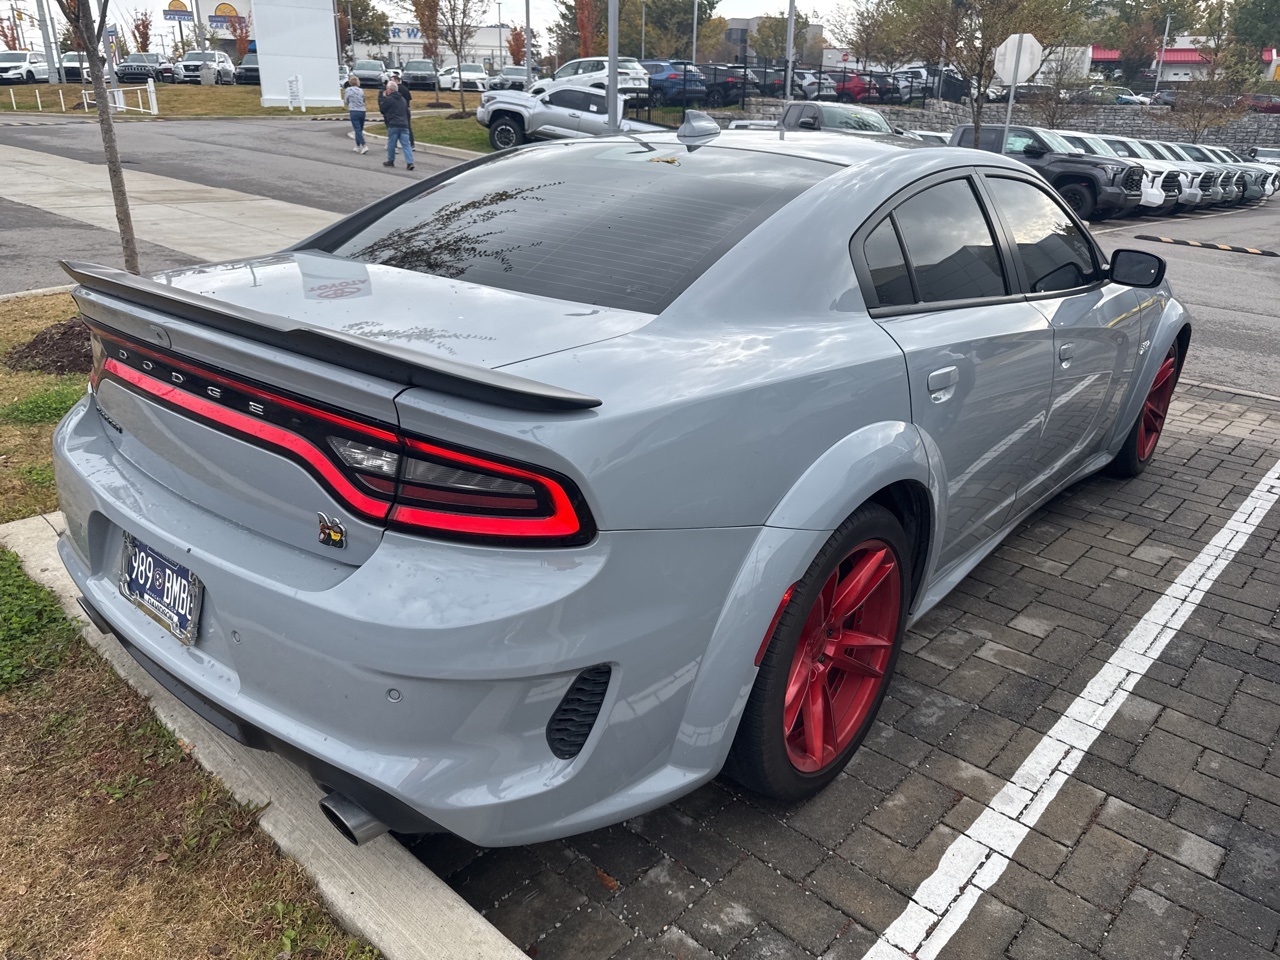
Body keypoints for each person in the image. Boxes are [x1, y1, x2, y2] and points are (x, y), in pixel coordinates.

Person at [378, 80, 414, 171]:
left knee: (392, 143)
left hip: (393, 124)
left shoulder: (389, 99)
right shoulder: (403, 100)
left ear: (389, 90)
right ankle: (410, 162)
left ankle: (391, 160)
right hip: (404, 125)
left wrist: (383, 98)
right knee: (406, 145)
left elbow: (382, 109)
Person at [344, 76, 368, 155]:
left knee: (357, 129)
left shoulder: (348, 90)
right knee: (360, 129)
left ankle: (364, 145)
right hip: (362, 110)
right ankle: (357, 145)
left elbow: (346, 101)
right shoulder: (361, 90)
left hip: (354, 110)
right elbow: (364, 99)